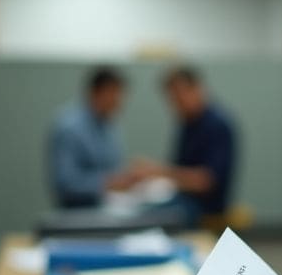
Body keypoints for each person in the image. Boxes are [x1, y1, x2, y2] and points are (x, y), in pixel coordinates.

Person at [128, 66, 236, 227]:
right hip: (182, 199)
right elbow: (178, 170)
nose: (176, 104)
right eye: (172, 100)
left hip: (204, 206)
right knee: (136, 210)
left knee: (143, 221)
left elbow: (205, 181)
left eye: (179, 97)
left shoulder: (217, 125)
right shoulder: (188, 124)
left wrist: (158, 171)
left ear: (197, 89)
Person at [47, 66, 133, 208]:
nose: (119, 102)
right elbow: (66, 183)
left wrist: (127, 179)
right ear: (96, 93)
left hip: (109, 208)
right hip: (78, 215)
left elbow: (113, 169)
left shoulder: (108, 125)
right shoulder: (69, 127)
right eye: (115, 94)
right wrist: (109, 183)